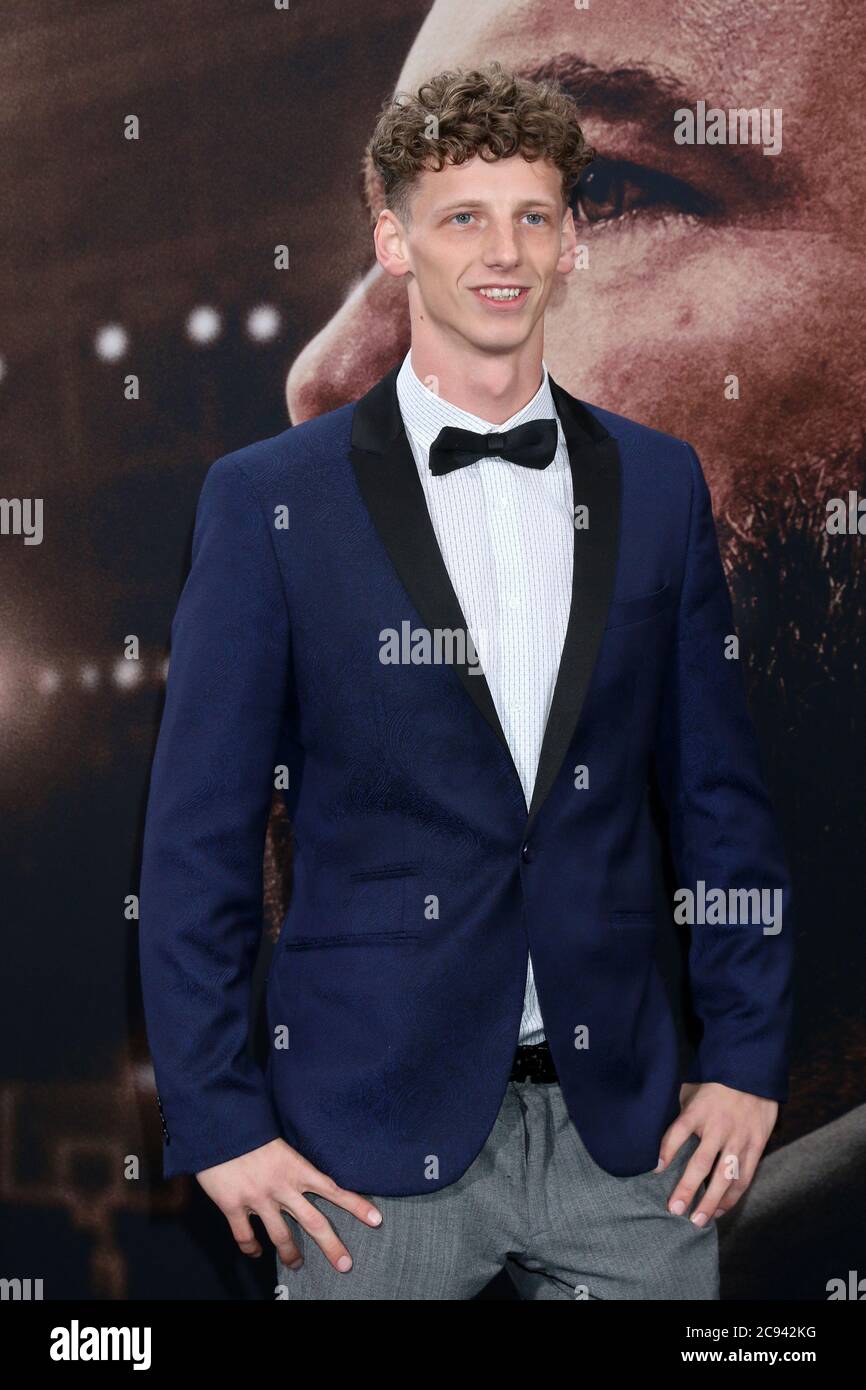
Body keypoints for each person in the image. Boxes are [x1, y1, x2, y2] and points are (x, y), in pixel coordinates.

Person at [139, 62, 794, 1300]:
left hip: (626, 1148)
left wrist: (748, 1054)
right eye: (460, 217)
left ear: (566, 241)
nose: (502, 252)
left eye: (533, 215)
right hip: (363, 1160)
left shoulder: (657, 485)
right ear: (393, 239)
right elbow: (195, 842)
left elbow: (720, 813)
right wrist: (219, 1121)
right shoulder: (270, 500)